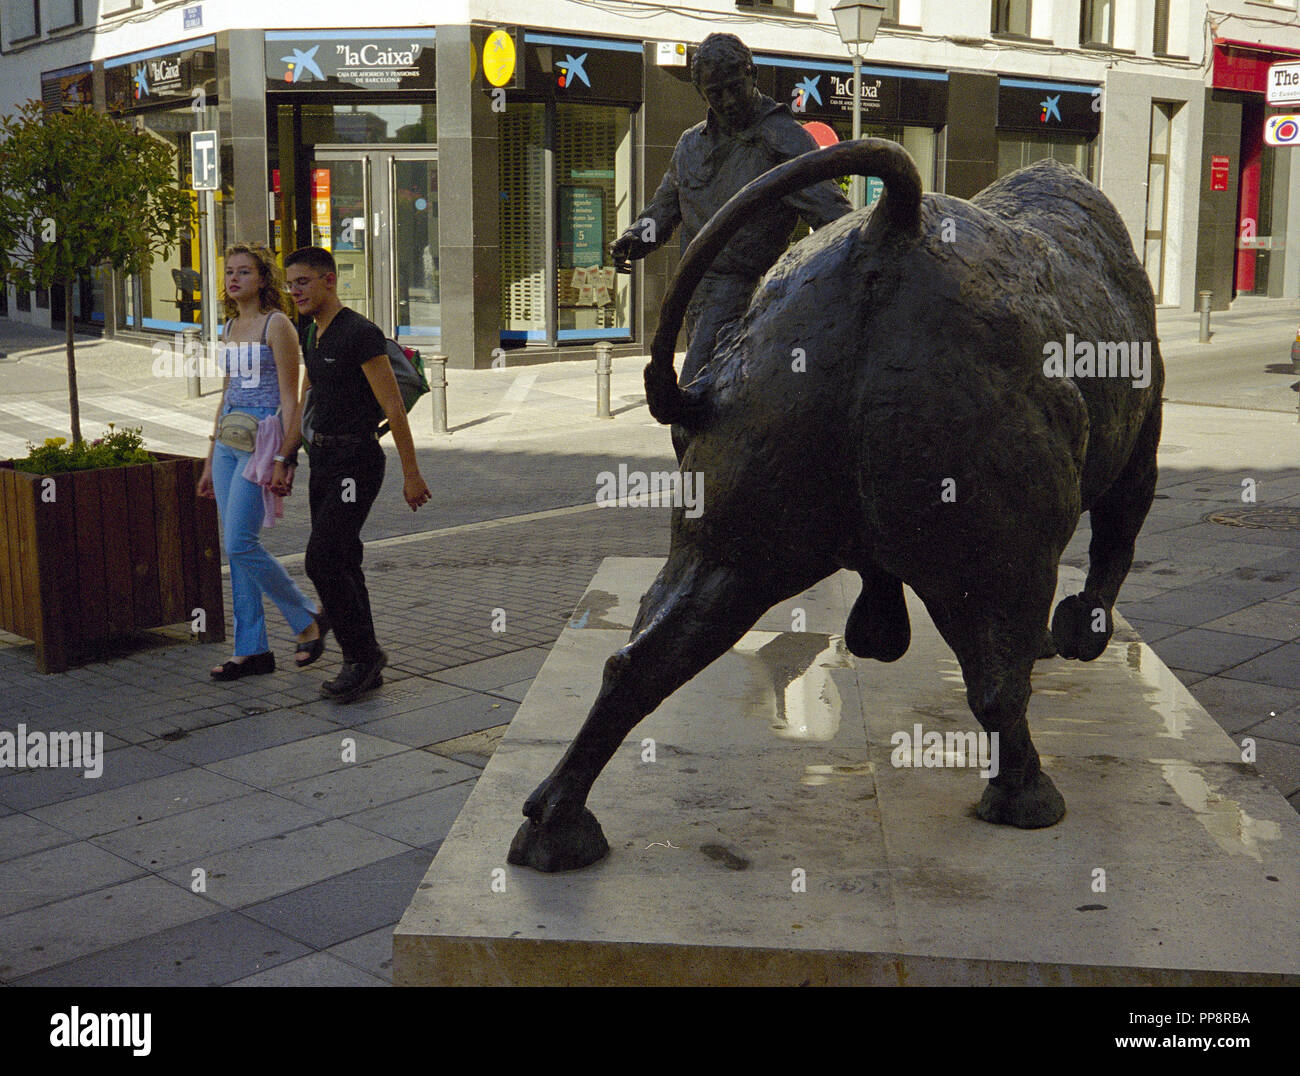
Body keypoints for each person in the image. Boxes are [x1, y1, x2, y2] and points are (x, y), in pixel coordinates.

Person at [609, 32, 851, 387]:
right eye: (715, 92)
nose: (727, 99)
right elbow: (664, 208)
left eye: (735, 86)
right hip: (692, 293)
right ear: (701, 93)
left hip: (749, 293)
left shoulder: (783, 138)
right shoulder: (690, 144)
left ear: (752, 75)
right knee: (718, 398)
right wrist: (634, 238)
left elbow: (832, 213)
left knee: (696, 393)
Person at [279, 246, 432, 704]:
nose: (295, 291)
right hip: (322, 461)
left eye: (303, 282)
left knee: (321, 560)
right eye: (291, 283)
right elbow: (309, 396)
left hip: (356, 464)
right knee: (343, 559)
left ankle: (361, 656)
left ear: (329, 281)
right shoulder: (312, 331)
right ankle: (364, 660)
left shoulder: (360, 333)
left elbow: (393, 407)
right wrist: (287, 457)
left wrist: (412, 475)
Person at [196, 242, 327, 680]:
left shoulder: (279, 325)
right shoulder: (231, 326)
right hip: (228, 445)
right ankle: (251, 650)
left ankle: (307, 616)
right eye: (229, 272)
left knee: (240, 544)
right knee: (236, 553)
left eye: (244, 272)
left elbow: (292, 398)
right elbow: (227, 392)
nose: (234, 279)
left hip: (262, 445)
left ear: (262, 279)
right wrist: (209, 455)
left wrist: (287, 458)